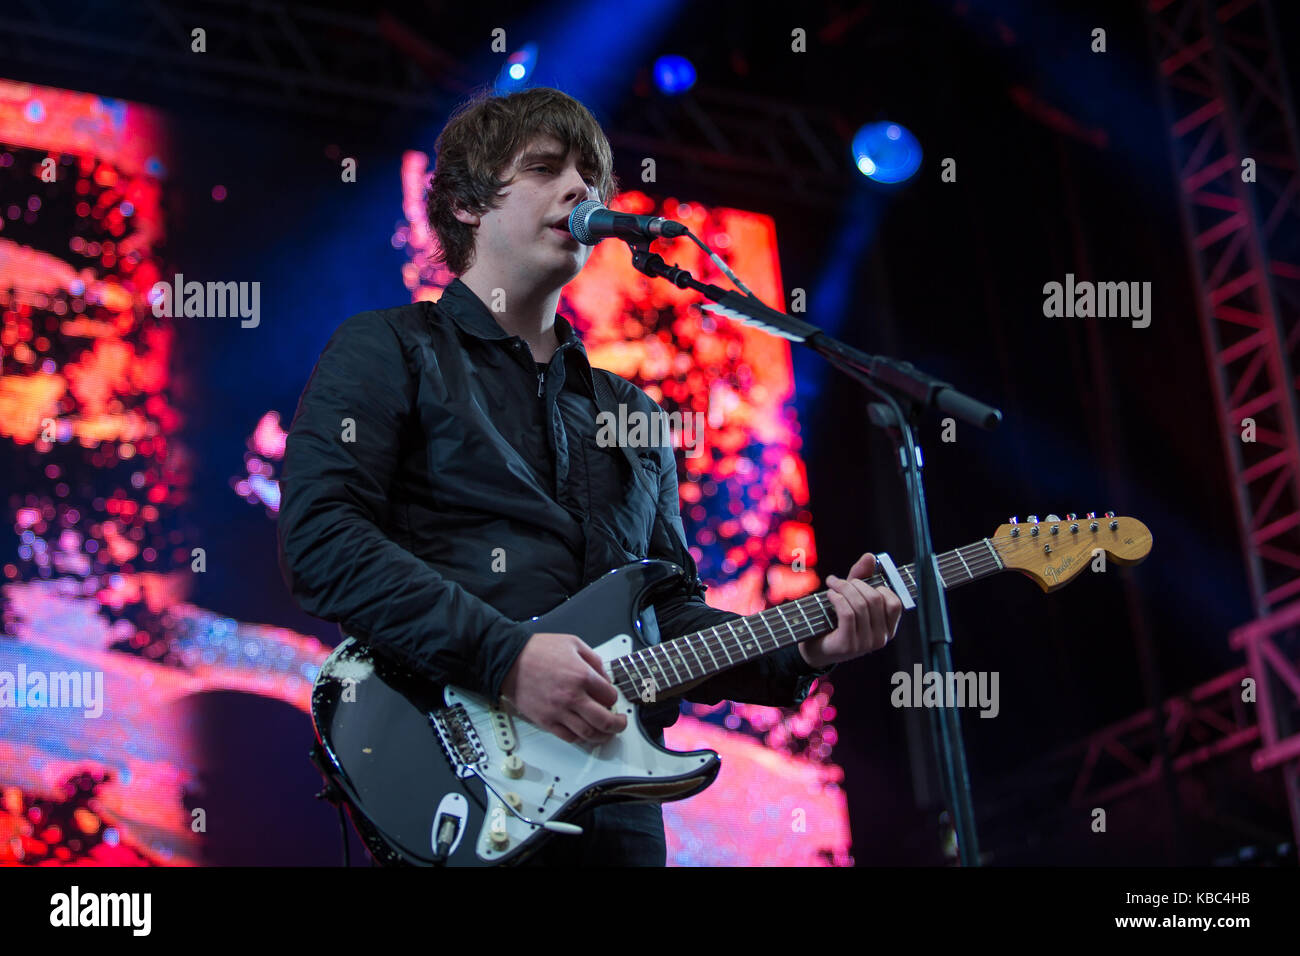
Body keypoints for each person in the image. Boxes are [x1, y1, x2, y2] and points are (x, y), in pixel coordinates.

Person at [277, 85, 903, 866]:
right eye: (545, 169)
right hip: (456, 782)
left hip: (616, 803)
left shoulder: (633, 411)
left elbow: (668, 612)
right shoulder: (389, 350)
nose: (581, 190)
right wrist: (504, 659)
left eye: (590, 177)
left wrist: (806, 647)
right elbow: (322, 539)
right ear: (468, 206)